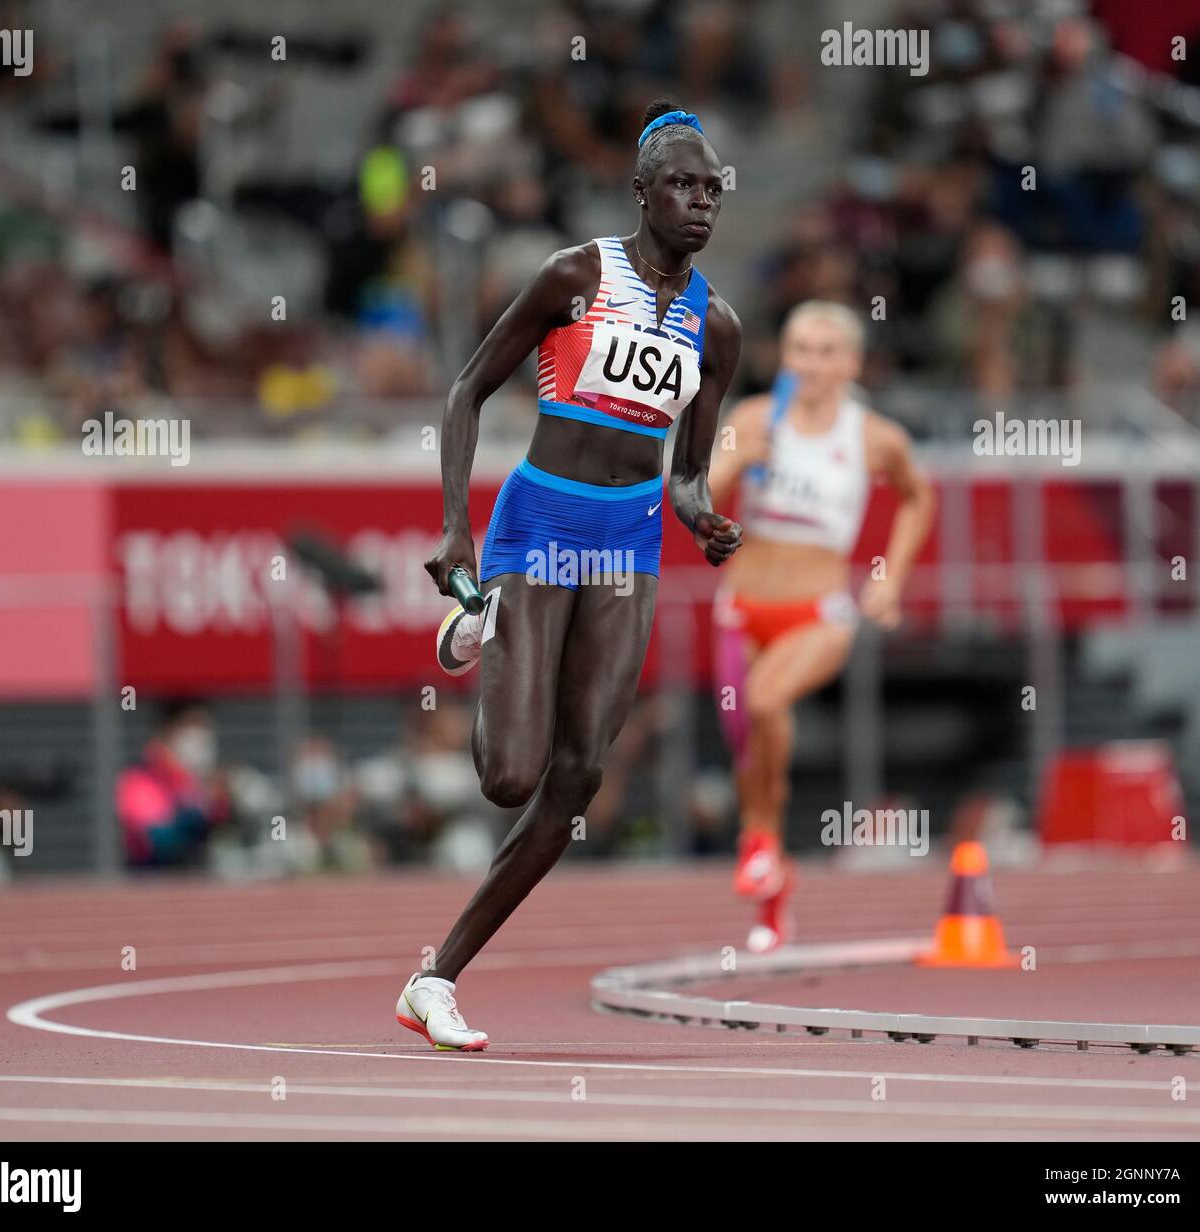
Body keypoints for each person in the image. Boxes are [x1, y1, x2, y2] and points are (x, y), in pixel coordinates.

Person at [394, 99, 743, 1050]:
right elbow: (467, 389)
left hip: (627, 539)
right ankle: (479, 623)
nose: (701, 202)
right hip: (542, 520)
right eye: (683, 184)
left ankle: (436, 977)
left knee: (580, 774)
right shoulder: (573, 275)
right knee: (510, 777)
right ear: (640, 192)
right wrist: (456, 527)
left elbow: (685, 470)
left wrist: (701, 514)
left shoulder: (719, 328)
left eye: (714, 189)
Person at [708, 301, 934, 952]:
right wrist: (733, 462)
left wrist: (890, 576)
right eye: (800, 348)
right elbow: (697, 505)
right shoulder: (751, 418)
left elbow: (920, 496)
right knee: (750, 750)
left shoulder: (873, 436)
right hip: (742, 608)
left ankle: (757, 841)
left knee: (765, 699)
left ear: (852, 362)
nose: (810, 362)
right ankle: (774, 881)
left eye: (826, 350)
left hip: (820, 610)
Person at [117, 701, 230, 869]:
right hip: (152, 886)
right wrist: (203, 810)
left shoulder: (207, 783)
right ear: (167, 733)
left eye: (204, 729)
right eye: (190, 728)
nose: (199, 742)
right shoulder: (139, 781)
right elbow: (159, 841)